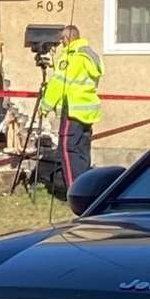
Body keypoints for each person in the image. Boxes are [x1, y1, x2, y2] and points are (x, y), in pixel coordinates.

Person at [43, 24, 103, 188]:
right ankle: (86, 187)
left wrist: (45, 106)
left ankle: (74, 191)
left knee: (67, 150)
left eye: (61, 39)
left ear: (67, 39)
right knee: (82, 151)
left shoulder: (70, 57)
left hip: (73, 110)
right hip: (88, 111)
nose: (60, 43)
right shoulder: (90, 55)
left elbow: (58, 84)